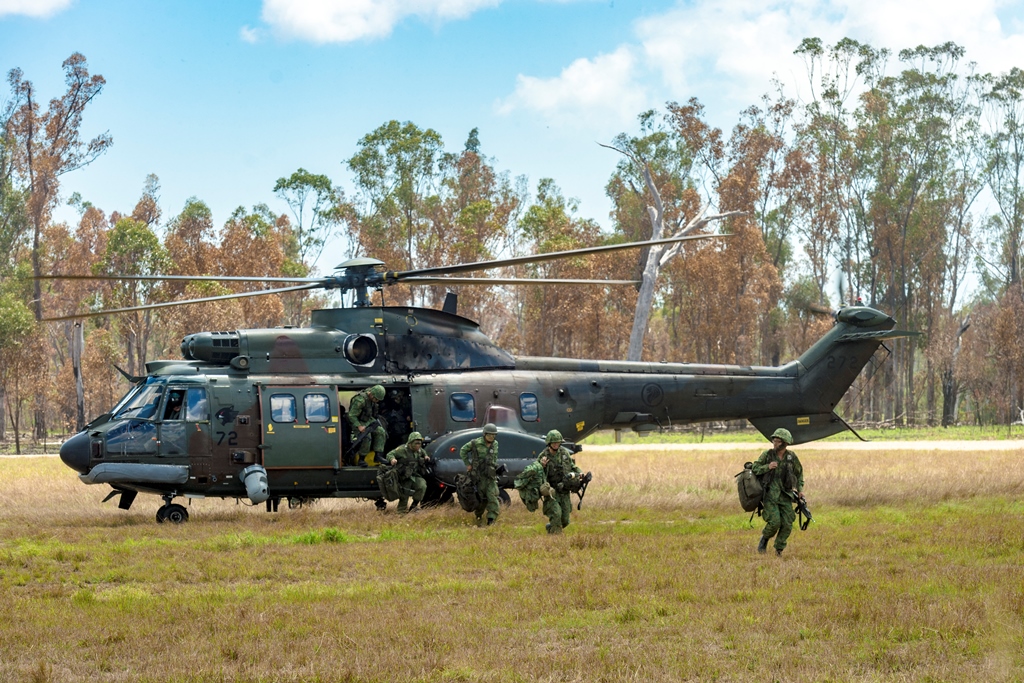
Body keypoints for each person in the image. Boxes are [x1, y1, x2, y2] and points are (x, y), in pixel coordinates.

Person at [750, 427, 805, 556]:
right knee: (774, 522)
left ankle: (779, 549)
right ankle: (764, 540)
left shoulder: (791, 457)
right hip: (770, 496)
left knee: (787, 523)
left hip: (786, 495)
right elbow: (755, 468)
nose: (775, 443)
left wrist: (800, 490)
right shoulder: (767, 455)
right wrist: (767, 467)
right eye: (774, 440)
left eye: (778, 441)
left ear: (785, 443)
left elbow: (799, 474)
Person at [539, 430, 583, 533]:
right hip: (552, 492)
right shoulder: (544, 456)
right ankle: (555, 540)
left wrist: (580, 473)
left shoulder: (564, 453)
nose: (556, 444)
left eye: (558, 442)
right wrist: (542, 465)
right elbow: (538, 471)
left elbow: (572, 467)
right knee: (556, 514)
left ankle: (551, 527)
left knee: (565, 520)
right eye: (554, 442)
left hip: (564, 491)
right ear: (549, 443)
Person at [459, 423, 500, 527]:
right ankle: (478, 516)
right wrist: (468, 464)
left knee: (493, 498)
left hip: (490, 477)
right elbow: (463, 451)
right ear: (484, 434)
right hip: (478, 477)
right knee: (481, 500)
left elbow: (494, 459)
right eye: (489, 435)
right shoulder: (475, 443)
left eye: (494, 435)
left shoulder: (495, 444)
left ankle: (491, 520)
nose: (492, 437)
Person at [385, 432, 431, 513]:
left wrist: (426, 456)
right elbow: (390, 454)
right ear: (410, 442)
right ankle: (401, 513)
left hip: (414, 475)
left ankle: (414, 507)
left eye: (419, 443)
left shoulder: (419, 451)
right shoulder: (402, 450)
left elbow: (423, 452)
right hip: (404, 477)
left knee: (422, 486)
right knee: (404, 495)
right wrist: (392, 459)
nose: (418, 445)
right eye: (416, 443)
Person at [514, 455, 559, 534]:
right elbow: (527, 472)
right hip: (549, 493)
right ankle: (554, 530)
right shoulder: (537, 466)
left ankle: (553, 527)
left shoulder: (562, 454)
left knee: (564, 519)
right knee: (556, 513)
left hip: (558, 490)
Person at [346, 385, 387, 467]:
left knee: (381, 432)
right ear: (371, 394)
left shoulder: (372, 399)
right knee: (366, 437)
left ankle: (378, 455)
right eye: (376, 399)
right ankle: (361, 459)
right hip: (357, 421)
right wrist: (359, 426)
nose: (376, 401)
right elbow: (351, 415)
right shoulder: (360, 400)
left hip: (368, 420)